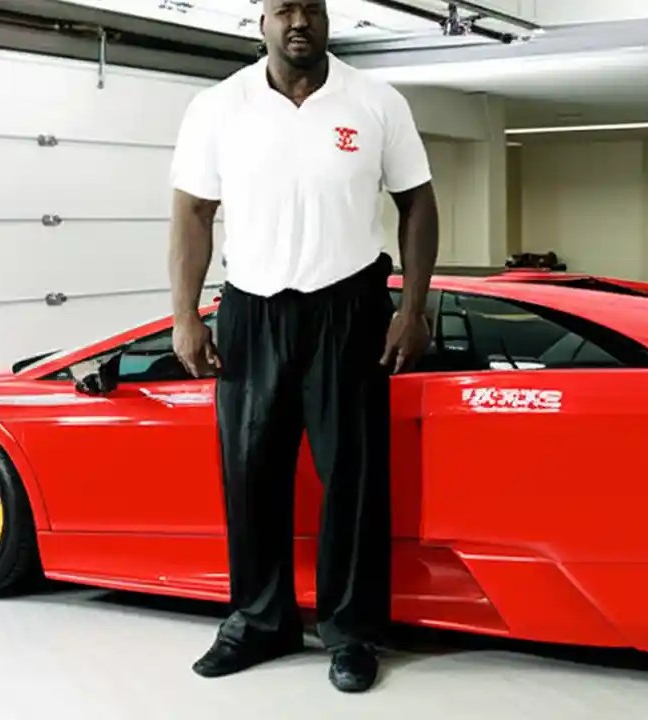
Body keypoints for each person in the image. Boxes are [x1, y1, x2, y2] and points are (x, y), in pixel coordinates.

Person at [166, 0, 438, 694]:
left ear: (326, 19)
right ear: (259, 21)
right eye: (284, 8)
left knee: (351, 476)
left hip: (348, 308)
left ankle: (350, 632)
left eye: (311, 8)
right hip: (251, 310)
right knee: (250, 471)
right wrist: (185, 316)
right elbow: (193, 213)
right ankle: (258, 621)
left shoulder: (375, 102)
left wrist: (411, 309)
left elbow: (418, 202)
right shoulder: (217, 107)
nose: (299, 22)